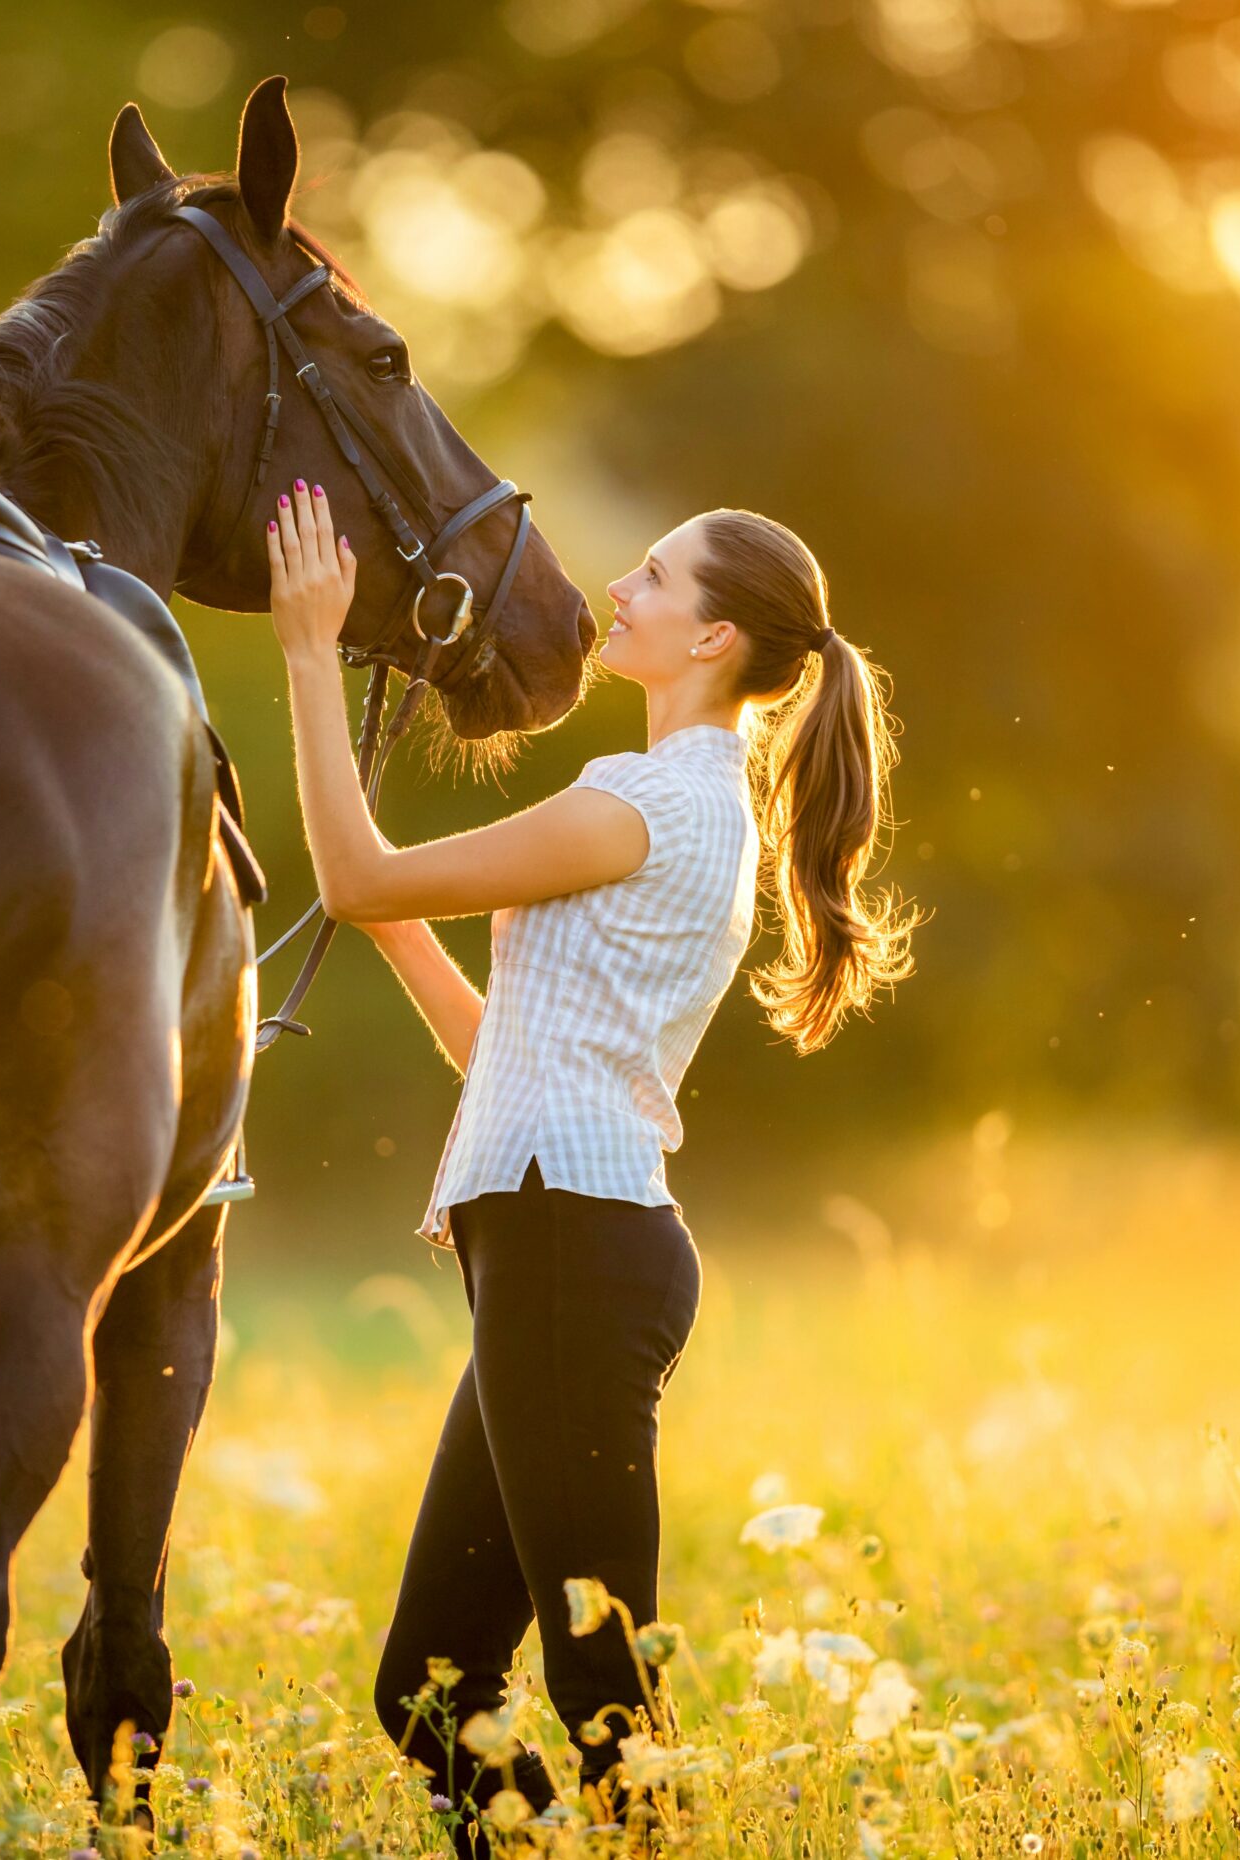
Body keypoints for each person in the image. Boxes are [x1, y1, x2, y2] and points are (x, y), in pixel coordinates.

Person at [262, 479, 917, 1853]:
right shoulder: (686, 809)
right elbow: (509, 1046)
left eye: (660, 578)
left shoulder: (647, 802)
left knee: (598, 1688)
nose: (623, 586)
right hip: (562, 1240)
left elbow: (352, 874)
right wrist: (397, 925)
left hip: (577, 1247)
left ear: (714, 641)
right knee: (430, 1695)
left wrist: (311, 649)